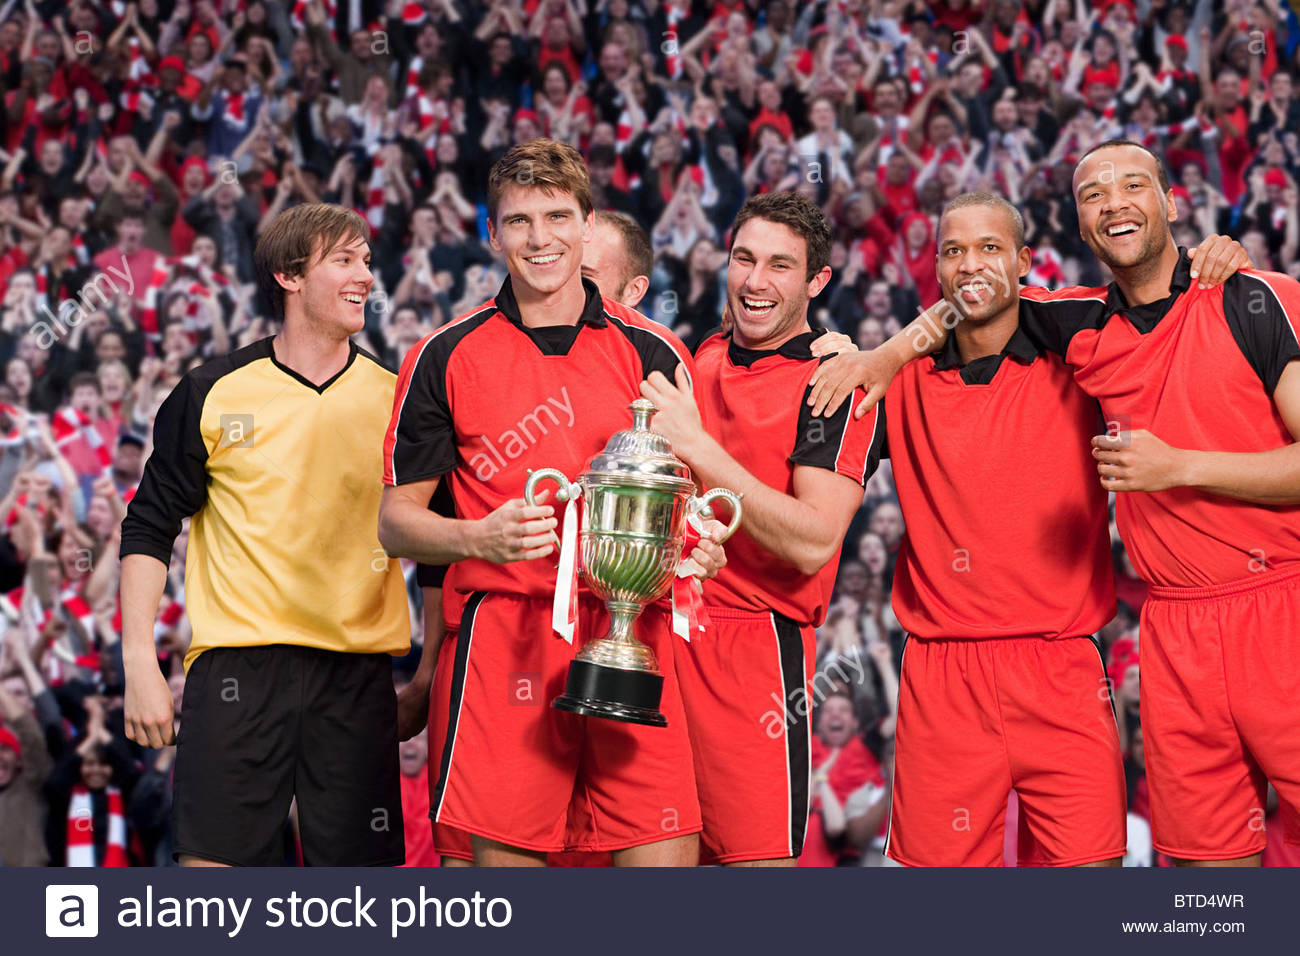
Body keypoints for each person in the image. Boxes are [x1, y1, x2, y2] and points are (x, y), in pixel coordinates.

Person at [379, 138, 722, 867]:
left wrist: (702, 545)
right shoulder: (444, 354)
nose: (541, 239)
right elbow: (395, 523)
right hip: (508, 641)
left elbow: (689, 502)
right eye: (520, 220)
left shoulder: (655, 352)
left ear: (587, 223)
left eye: (558, 217)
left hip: (636, 629)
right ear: (491, 232)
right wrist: (481, 540)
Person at [119, 202, 411, 866]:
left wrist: (423, 676)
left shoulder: (398, 398)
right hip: (236, 670)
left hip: (357, 675)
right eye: (344, 259)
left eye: (367, 259)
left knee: (362, 905)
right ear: (289, 275)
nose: (365, 273)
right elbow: (149, 525)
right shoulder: (209, 391)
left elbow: (434, 543)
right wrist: (139, 657)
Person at [878, 192, 1128, 867]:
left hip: (1064, 666)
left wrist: (1225, 266)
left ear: (1023, 262)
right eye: (954, 251)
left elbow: (1156, 299)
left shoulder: (1081, 357)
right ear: (936, 269)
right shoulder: (897, 379)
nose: (971, 265)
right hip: (943, 676)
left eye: (990, 248)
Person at [641, 191, 885, 865]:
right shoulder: (702, 354)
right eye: (744, 258)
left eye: (780, 265)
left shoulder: (836, 382)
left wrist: (701, 450)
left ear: (817, 282)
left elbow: (811, 540)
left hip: (755, 657)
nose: (755, 279)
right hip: (660, 632)